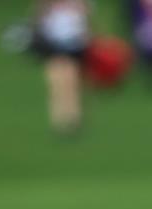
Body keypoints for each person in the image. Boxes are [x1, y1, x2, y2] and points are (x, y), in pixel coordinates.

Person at [30, 0, 92, 136]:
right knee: (56, 84)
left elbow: (84, 21)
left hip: (73, 45)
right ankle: (59, 121)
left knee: (72, 83)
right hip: (52, 46)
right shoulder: (46, 5)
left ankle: (73, 119)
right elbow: (39, 20)